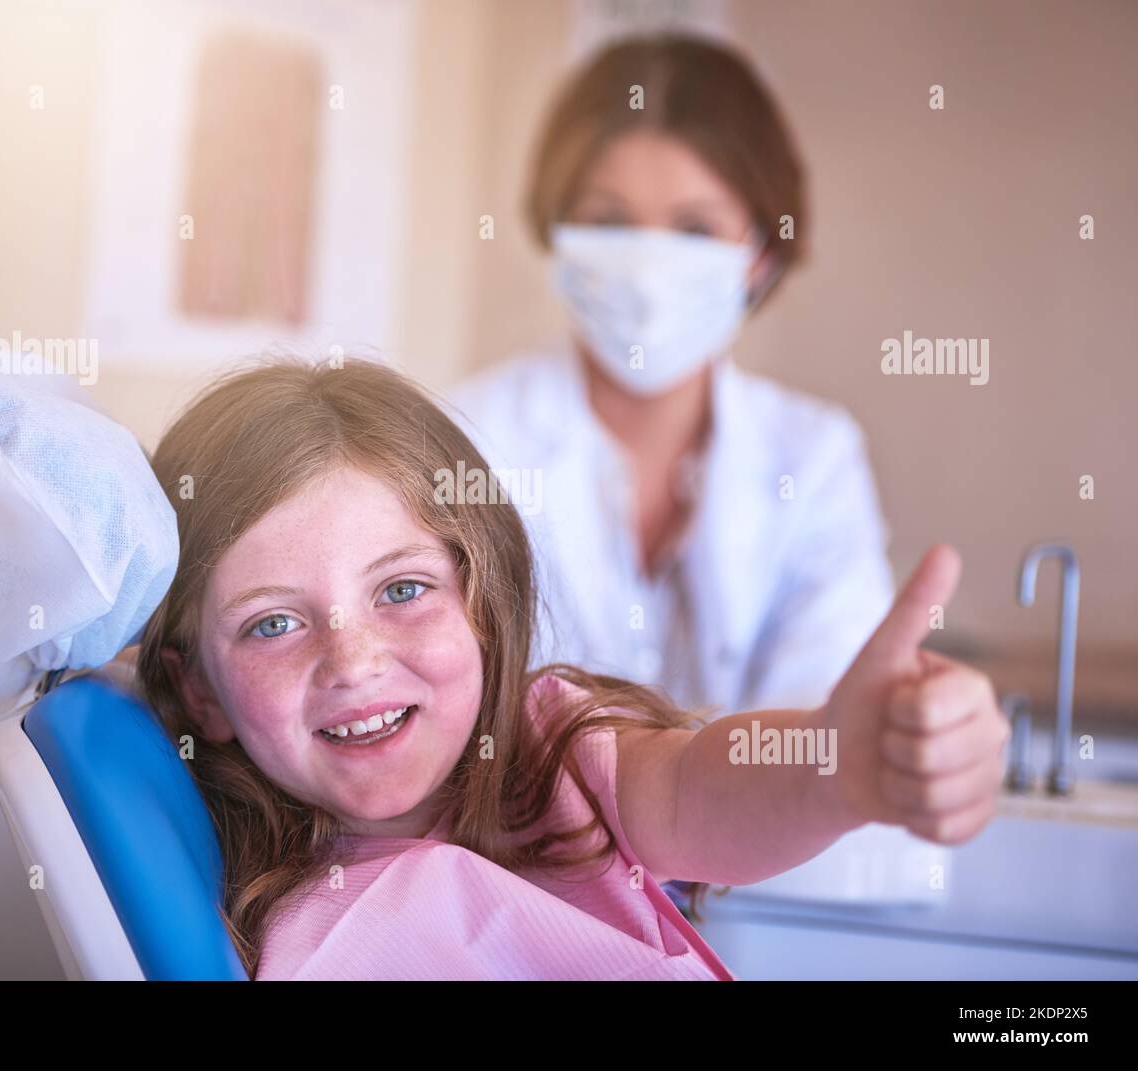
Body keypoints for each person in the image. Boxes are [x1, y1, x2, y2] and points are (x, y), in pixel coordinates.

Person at [130, 354, 1007, 980]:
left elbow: (701, 786)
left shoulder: (556, 754)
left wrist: (833, 767)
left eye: (401, 588)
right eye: (274, 623)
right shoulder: (273, 908)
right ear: (200, 687)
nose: (354, 661)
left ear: (480, 600)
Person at [448, 34, 894, 719]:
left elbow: (824, 733)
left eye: (694, 229)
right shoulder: (466, 437)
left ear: (761, 256)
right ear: (556, 231)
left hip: (766, 829)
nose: (650, 269)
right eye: (609, 221)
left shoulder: (814, 457)